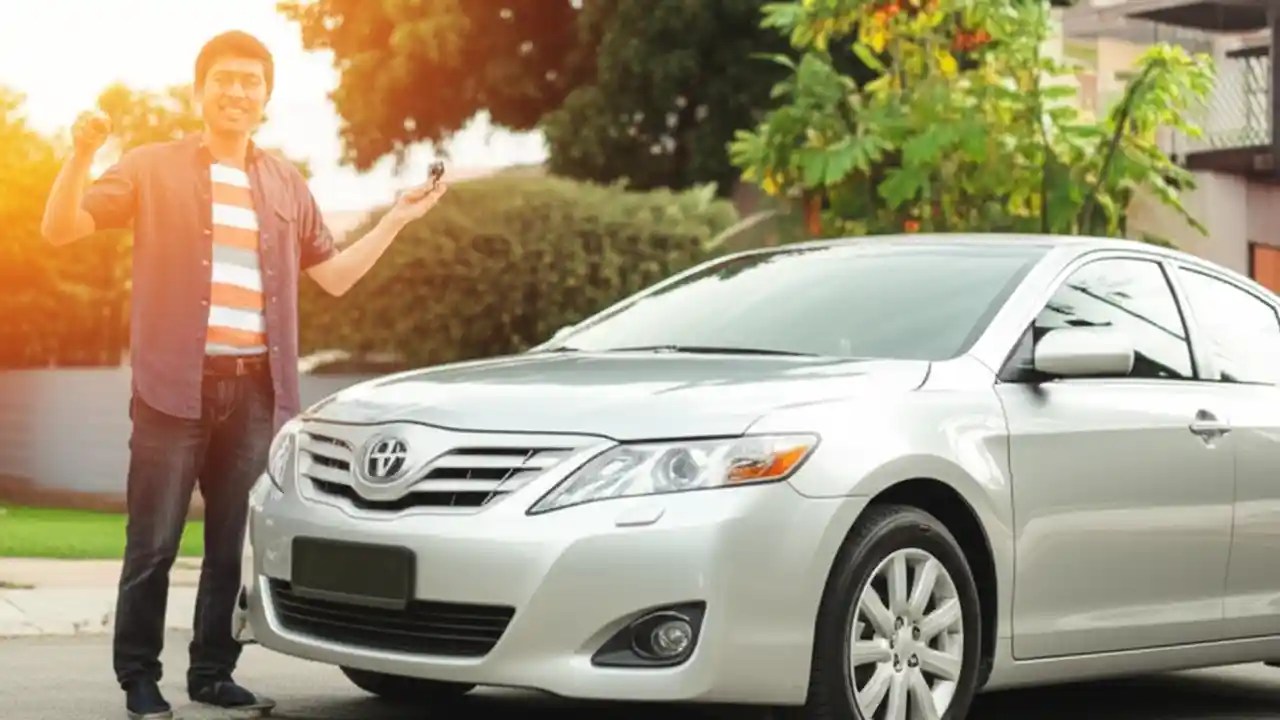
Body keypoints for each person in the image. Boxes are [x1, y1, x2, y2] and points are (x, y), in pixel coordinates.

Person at [40, 29, 447, 720]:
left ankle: (212, 672)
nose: (237, 91)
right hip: (173, 390)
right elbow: (61, 229)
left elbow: (337, 278)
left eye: (251, 81)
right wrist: (81, 155)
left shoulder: (285, 182)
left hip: (256, 392)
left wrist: (398, 218)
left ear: (265, 97)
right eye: (224, 79)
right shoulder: (149, 166)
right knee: (154, 546)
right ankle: (139, 677)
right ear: (200, 92)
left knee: (230, 547)